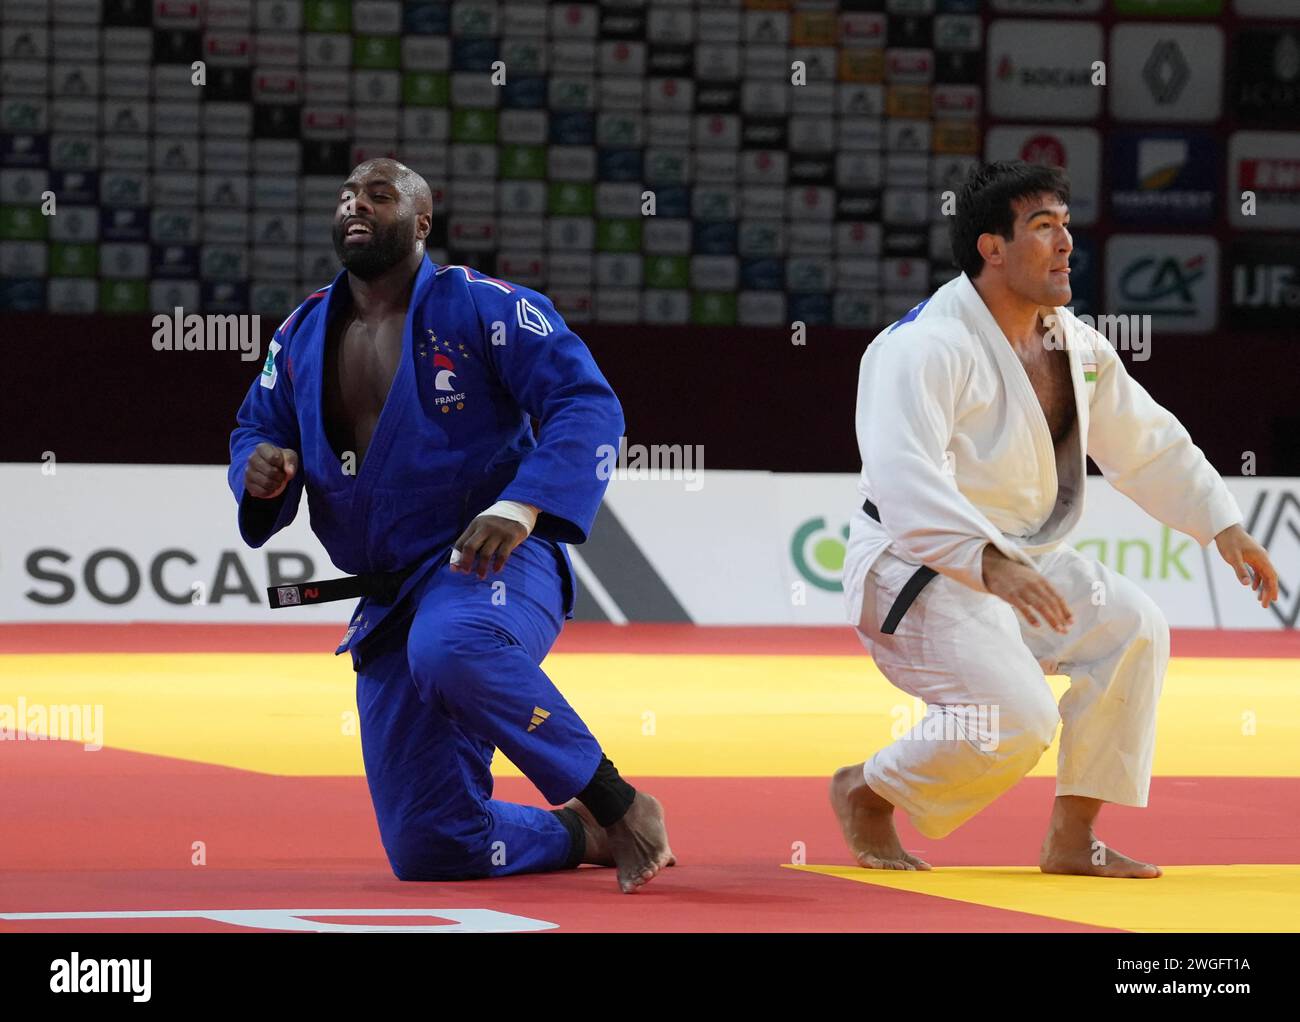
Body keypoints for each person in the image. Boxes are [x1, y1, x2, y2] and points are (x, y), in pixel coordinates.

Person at [228, 158, 674, 892]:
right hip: (390, 595)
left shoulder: (481, 307)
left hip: (496, 558)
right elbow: (254, 426)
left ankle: (619, 804)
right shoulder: (302, 333)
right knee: (433, 848)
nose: (355, 205)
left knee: (453, 643)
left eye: (378, 194)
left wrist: (519, 506)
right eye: (345, 196)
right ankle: (577, 832)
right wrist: (260, 466)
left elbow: (588, 404)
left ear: (422, 222)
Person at [832, 161, 1279, 879]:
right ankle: (869, 789)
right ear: (992, 248)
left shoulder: (1072, 344)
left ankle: (1074, 837)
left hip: (1016, 559)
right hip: (917, 569)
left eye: (1066, 225)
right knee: (1017, 723)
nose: (1065, 243)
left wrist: (1222, 524)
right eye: (1043, 227)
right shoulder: (924, 348)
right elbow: (903, 479)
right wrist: (990, 565)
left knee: (1132, 630)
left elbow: (1144, 440)